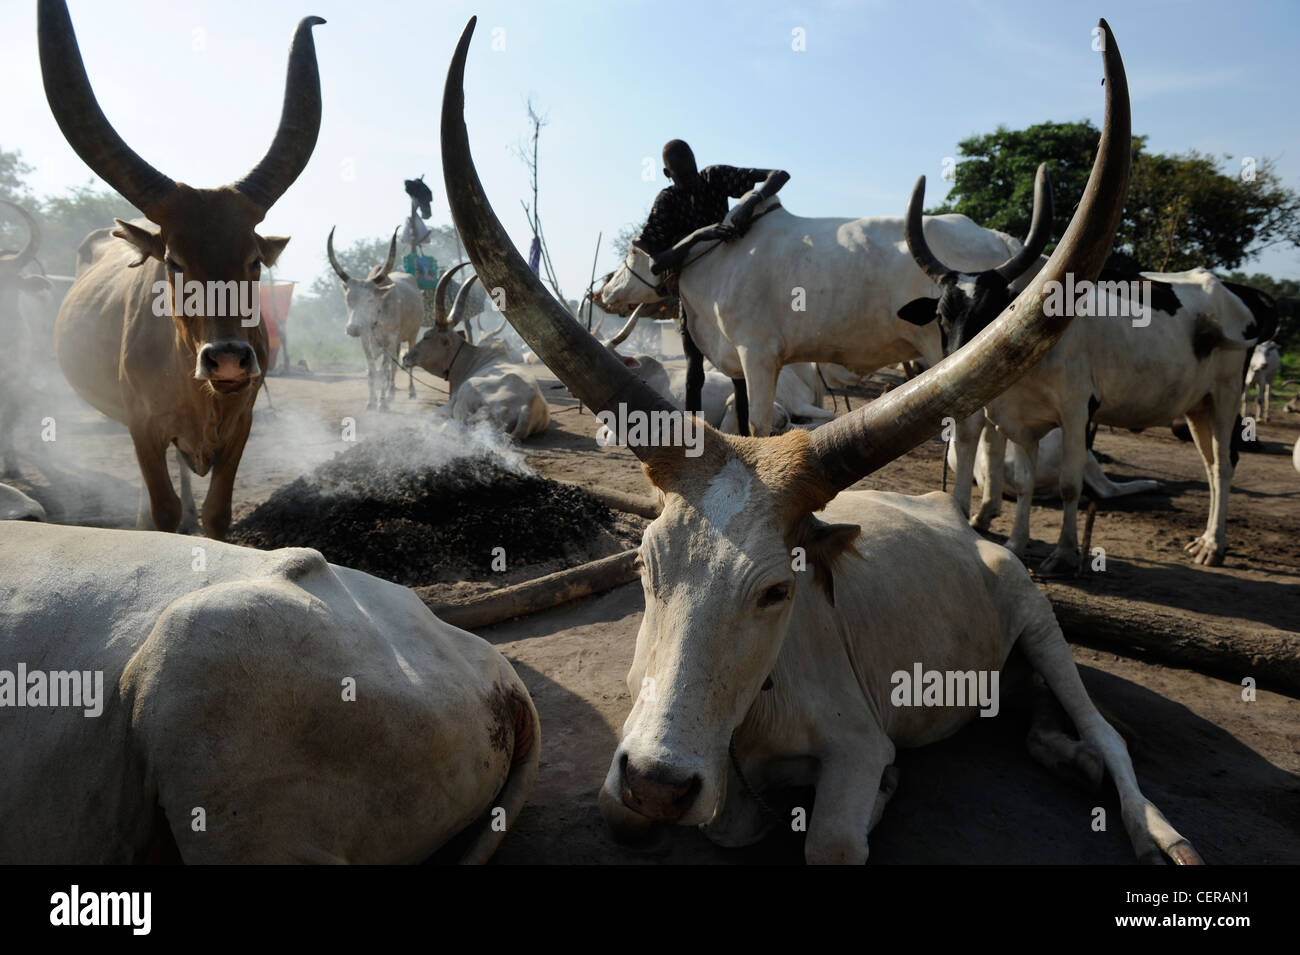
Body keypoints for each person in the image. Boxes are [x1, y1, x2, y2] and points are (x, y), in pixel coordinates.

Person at [632, 140, 789, 276]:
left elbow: (779, 174)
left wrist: (749, 204)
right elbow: (656, 265)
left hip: (730, 266)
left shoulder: (713, 177)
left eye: (692, 172)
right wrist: (697, 236)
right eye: (683, 176)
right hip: (695, 285)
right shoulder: (666, 201)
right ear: (668, 173)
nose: (691, 180)